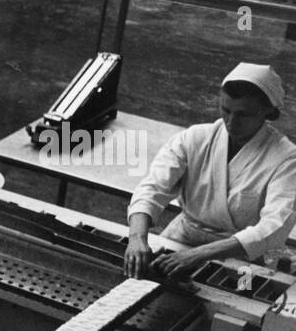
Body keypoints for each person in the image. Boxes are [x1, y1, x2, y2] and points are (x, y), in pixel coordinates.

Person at [125, 63, 296, 279]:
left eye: (244, 114)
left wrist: (199, 255)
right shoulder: (195, 138)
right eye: (226, 110)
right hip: (183, 239)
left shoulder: (286, 159)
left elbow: (273, 228)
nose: (231, 122)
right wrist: (137, 238)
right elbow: (152, 188)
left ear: (268, 111)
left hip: (243, 256)